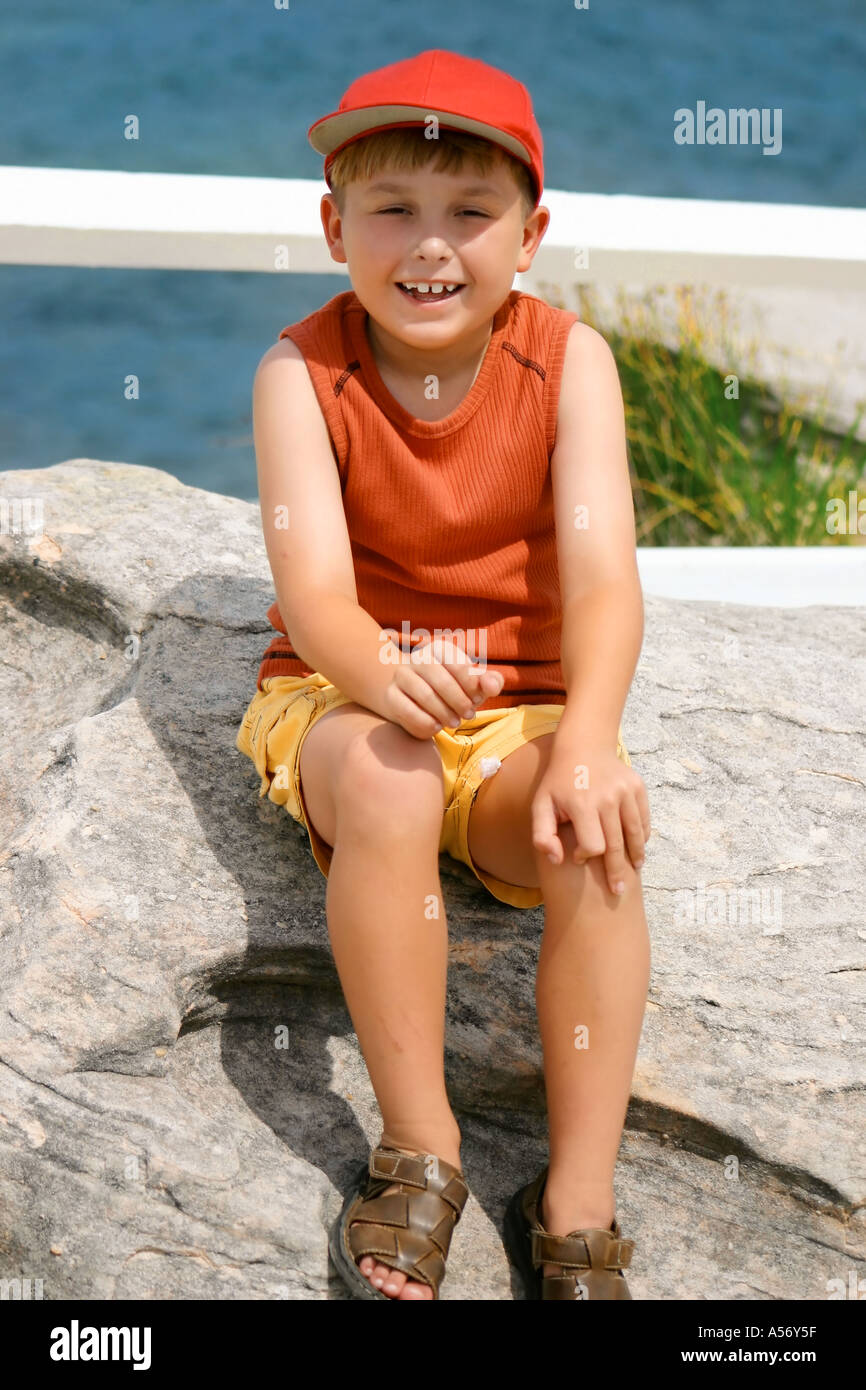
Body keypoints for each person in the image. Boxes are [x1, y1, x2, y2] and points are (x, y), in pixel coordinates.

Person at [236, 48, 651, 1302]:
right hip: (340, 683)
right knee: (387, 780)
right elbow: (312, 594)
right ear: (332, 228)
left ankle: (576, 1194)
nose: (431, 246)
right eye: (391, 211)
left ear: (529, 234)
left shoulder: (568, 362)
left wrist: (587, 737)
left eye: (469, 213)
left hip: (513, 697)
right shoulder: (301, 374)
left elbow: (602, 583)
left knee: (590, 832)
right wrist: (375, 664)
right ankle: (421, 1146)